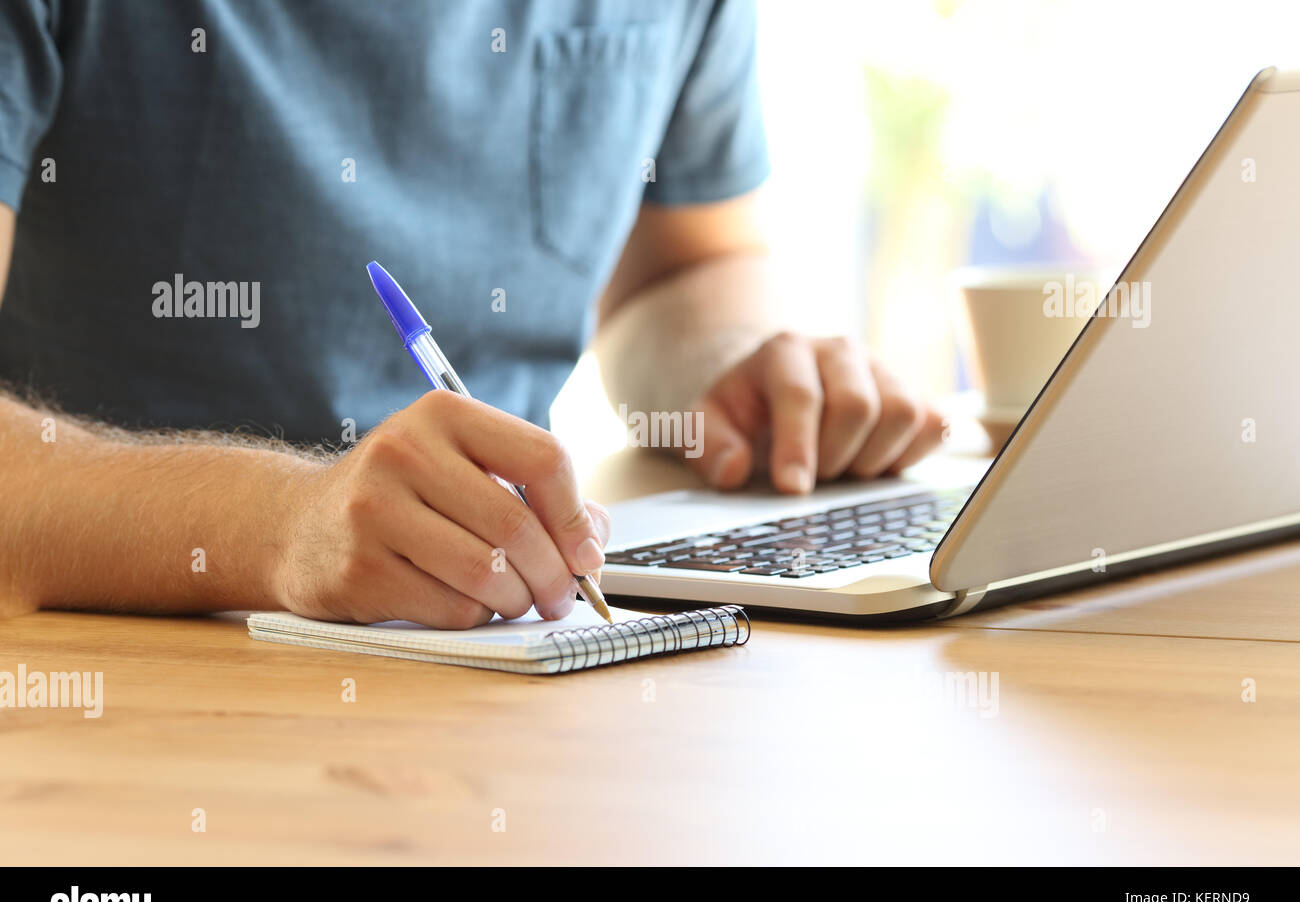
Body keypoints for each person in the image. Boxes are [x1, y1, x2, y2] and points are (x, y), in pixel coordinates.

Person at [0, 1, 944, 628]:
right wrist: (283, 527)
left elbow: (686, 265)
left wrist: (734, 368)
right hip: (149, 695)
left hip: (499, 653)